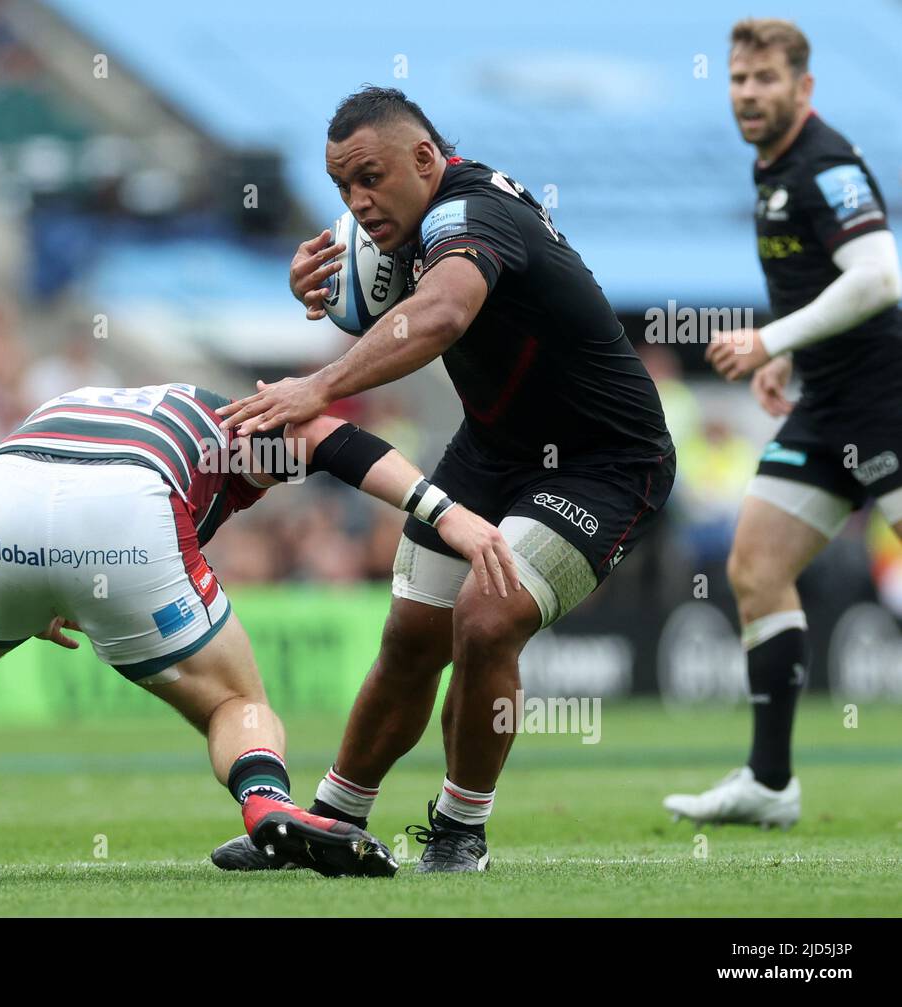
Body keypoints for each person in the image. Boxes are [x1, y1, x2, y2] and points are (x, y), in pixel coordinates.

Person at [0, 382, 517, 881]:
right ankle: (265, 803)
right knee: (232, 702)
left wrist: (45, 589)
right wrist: (443, 511)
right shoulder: (236, 422)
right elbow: (341, 446)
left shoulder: (82, 401)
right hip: (129, 505)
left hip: (9, 487)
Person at [214, 87, 675, 872]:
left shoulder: (471, 215)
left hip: (605, 458)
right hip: (495, 448)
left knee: (487, 619)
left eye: (370, 177)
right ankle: (332, 820)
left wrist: (319, 385)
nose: (357, 203)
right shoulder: (414, 216)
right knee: (409, 639)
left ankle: (462, 832)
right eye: (342, 188)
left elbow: (440, 316)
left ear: (424, 159)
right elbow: (390, 300)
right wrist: (321, 296)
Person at [667, 19, 902, 828]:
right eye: (738, 79)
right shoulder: (771, 167)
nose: (748, 94)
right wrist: (789, 353)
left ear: (803, 88)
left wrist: (770, 338)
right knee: (756, 567)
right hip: (826, 403)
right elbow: (820, 284)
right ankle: (770, 782)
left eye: (765, 79)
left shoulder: (826, 162)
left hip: (886, 401)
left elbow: (877, 278)